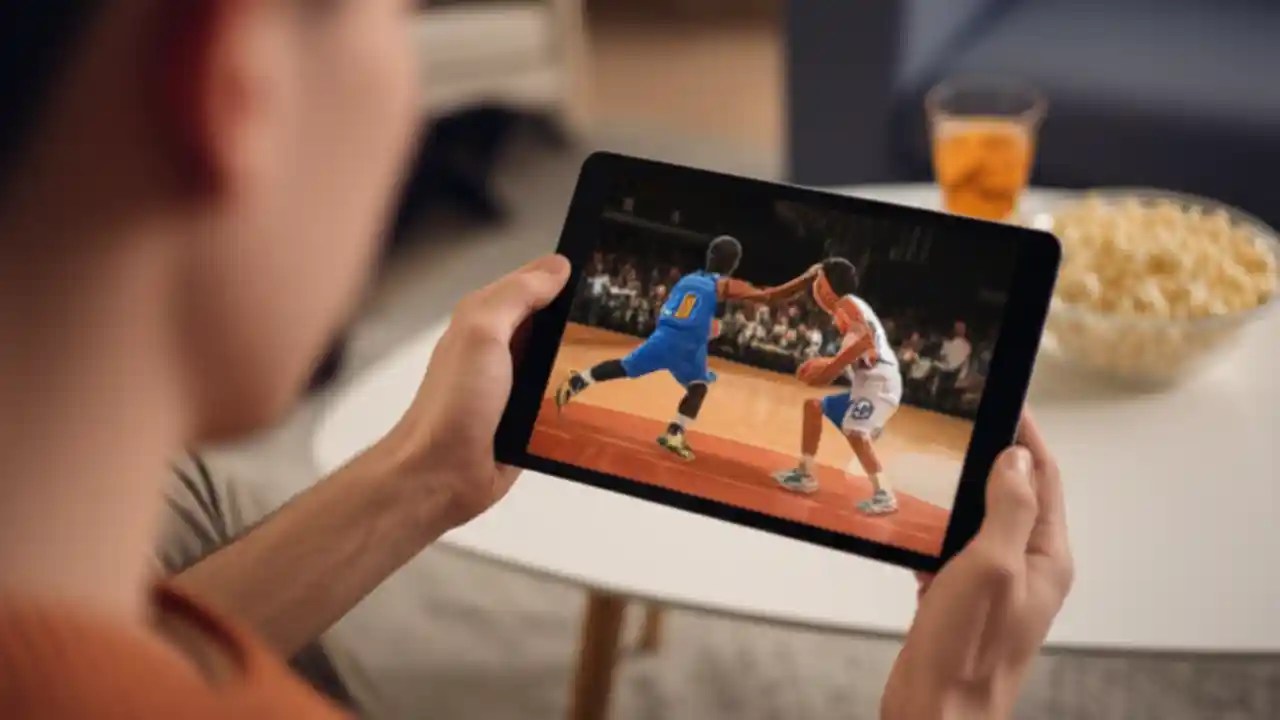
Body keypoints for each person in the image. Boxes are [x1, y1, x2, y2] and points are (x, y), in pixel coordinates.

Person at [0, 2, 1072, 717]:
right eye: (398, 17)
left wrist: (420, 476)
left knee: (677, 384)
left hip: (705, 355)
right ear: (231, 71)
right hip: (681, 345)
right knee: (643, 373)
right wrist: (947, 706)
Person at [554, 236, 788, 461]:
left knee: (688, 384)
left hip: (671, 339)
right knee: (687, 385)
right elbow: (766, 297)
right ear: (734, 263)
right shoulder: (721, 283)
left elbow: (670, 309)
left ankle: (581, 383)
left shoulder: (689, 279)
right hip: (682, 345)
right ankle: (673, 432)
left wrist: (697, 327)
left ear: (710, 255)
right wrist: (804, 283)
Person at [770, 259, 903, 516]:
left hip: (880, 384)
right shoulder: (848, 310)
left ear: (827, 286)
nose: (814, 288)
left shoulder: (847, 303)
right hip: (867, 386)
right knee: (814, 406)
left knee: (854, 432)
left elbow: (865, 340)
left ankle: (884, 494)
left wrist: (830, 369)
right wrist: (830, 363)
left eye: (817, 281)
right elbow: (861, 346)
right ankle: (805, 474)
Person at [936, 320, 973, 412]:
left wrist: (962, 374)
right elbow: (942, 356)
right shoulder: (948, 342)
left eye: (961, 329)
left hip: (955, 372)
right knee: (941, 393)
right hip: (945, 369)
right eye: (957, 328)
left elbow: (965, 361)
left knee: (949, 395)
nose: (959, 330)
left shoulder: (966, 345)